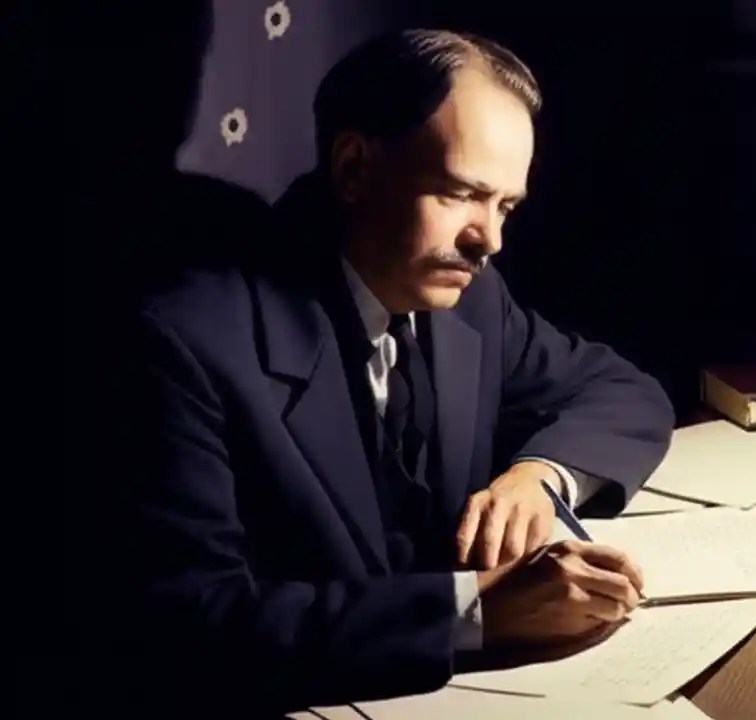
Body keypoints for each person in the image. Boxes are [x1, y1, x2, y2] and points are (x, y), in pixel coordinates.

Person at [99, 28, 675, 715]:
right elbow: (195, 627)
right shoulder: (185, 338)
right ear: (353, 170)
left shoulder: (470, 297)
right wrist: (478, 611)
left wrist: (541, 476)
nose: (488, 240)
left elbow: (622, 390)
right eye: (461, 194)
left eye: (506, 207)